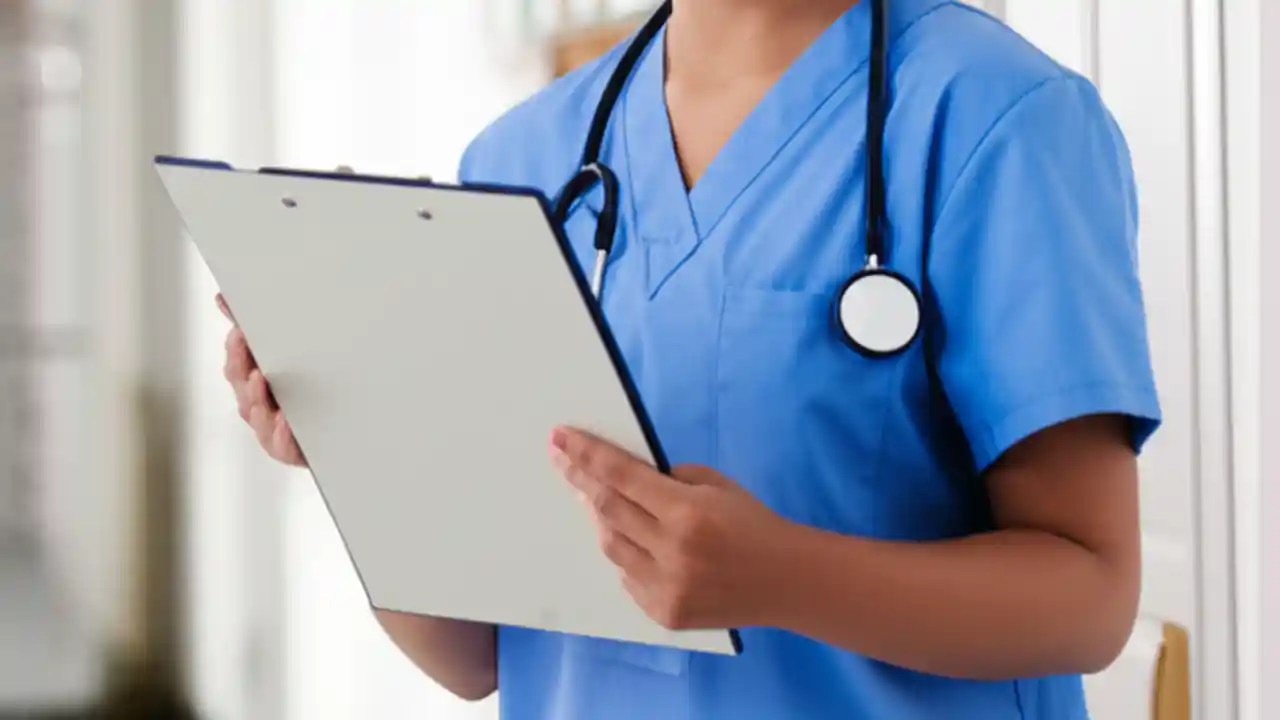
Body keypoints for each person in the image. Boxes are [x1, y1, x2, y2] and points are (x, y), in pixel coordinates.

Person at [218, 0, 1162, 717]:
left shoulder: (1002, 117)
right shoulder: (527, 156)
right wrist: (359, 440)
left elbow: (1090, 598)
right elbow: (473, 657)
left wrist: (787, 576)